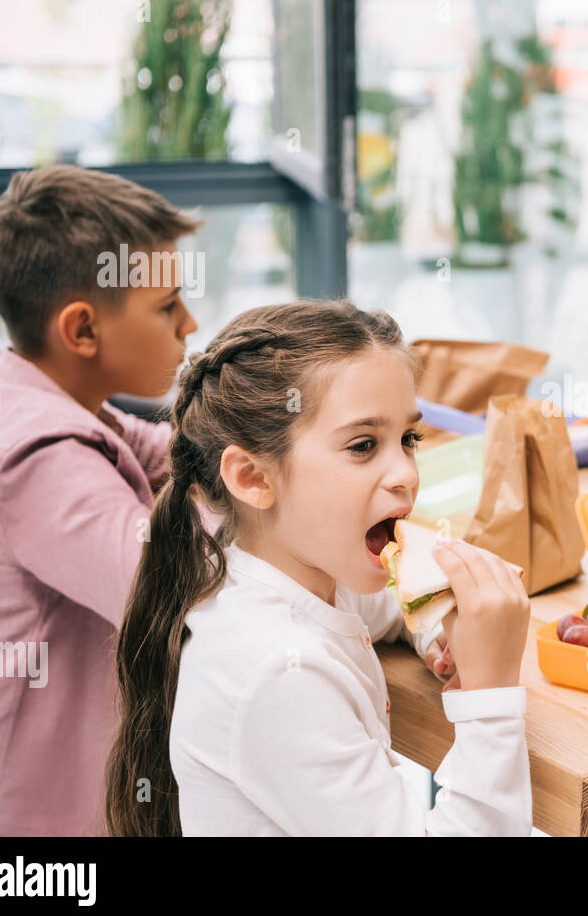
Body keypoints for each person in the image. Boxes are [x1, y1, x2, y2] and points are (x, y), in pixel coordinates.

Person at [105, 300, 533, 836]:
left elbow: (375, 605)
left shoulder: (296, 574)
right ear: (254, 478)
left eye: (408, 439)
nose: (405, 473)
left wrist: (435, 632)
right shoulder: (278, 674)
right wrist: (491, 695)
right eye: (362, 446)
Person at [0, 165, 199, 834]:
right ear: (82, 330)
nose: (190, 322)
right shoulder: (35, 459)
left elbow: (176, 454)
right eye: (168, 305)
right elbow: (176, 587)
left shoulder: (14, 389)